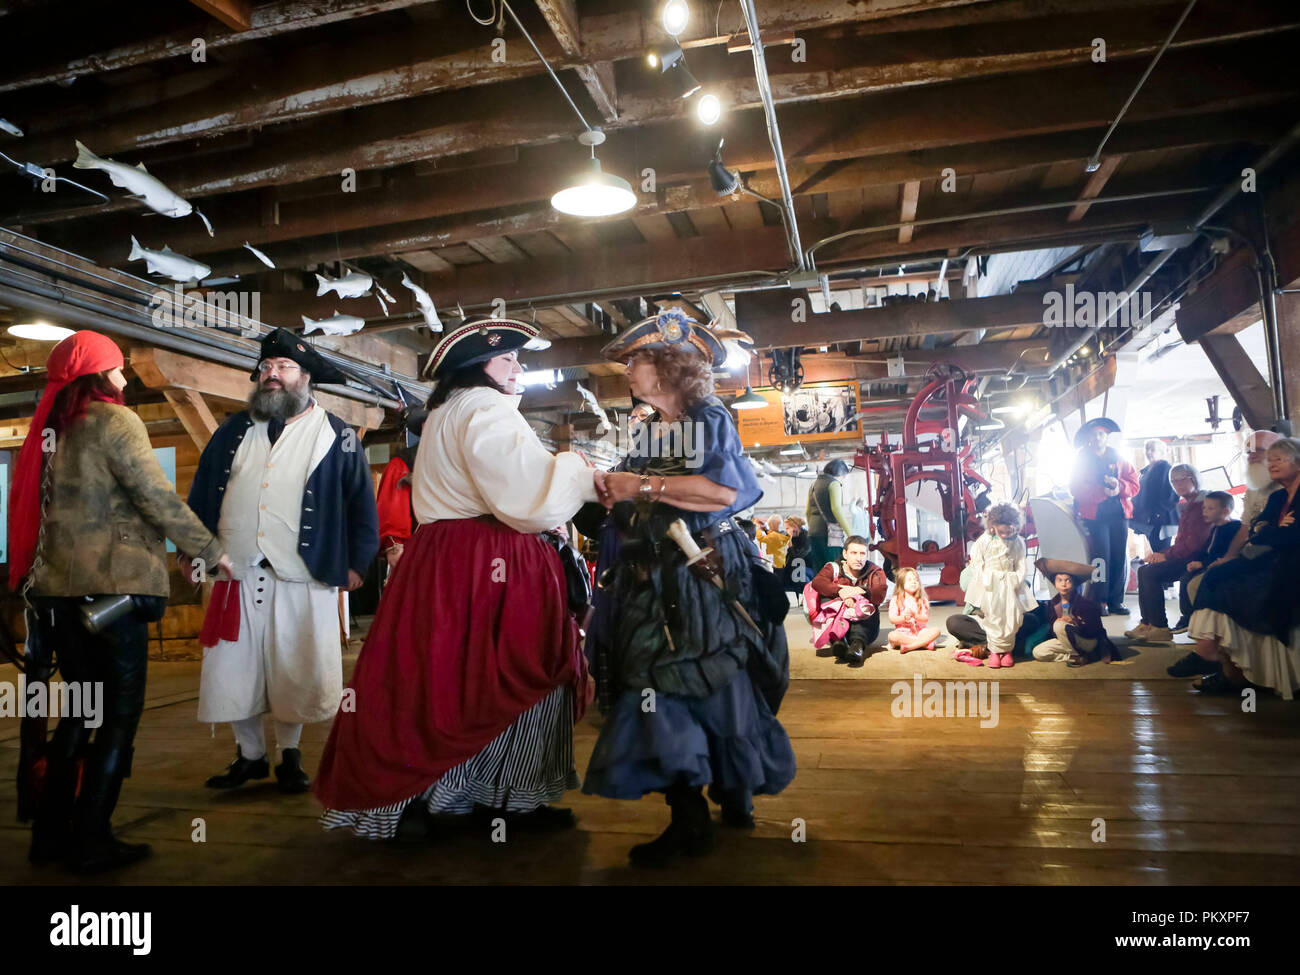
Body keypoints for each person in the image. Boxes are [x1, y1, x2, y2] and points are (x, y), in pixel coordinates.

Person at [315, 317, 599, 839]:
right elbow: (524, 497)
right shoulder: (486, 408)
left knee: (440, 674)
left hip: (441, 556)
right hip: (492, 554)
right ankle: (508, 801)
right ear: (478, 366)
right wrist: (577, 468)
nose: (518, 369)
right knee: (514, 667)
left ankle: (430, 798)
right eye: (507, 359)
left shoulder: (445, 411)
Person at [578, 308, 795, 868]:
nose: (628, 369)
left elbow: (726, 492)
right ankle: (728, 796)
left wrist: (641, 484)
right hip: (663, 576)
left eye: (637, 360)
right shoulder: (653, 427)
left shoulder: (708, 416)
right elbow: (637, 491)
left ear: (670, 366)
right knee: (703, 683)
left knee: (678, 680)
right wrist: (610, 489)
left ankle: (694, 818)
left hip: (701, 572)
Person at [16, 331, 233, 872]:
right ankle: (92, 838)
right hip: (113, 594)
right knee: (118, 715)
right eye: (117, 368)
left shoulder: (50, 429)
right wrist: (211, 550)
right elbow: (155, 497)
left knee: (77, 715)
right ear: (98, 374)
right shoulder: (115, 421)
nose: (124, 377)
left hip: (58, 597)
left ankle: (49, 837)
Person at [186, 328, 379, 795]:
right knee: (236, 668)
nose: (272, 375)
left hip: (305, 572)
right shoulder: (232, 431)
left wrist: (357, 563)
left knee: (295, 664)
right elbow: (202, 493)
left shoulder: (338, 434)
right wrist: (191, 551)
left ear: (306, 376)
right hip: (236, 569)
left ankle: (289, 753)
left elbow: (361, 504)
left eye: (284, 367)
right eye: (267, 367)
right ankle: (250, 755)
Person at [1185, 437, 1300, 697]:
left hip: (1289, 565)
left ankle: (1224, 664)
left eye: (1277, 458)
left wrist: (1269, 531)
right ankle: (1222, 662)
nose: (1270, 463)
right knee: (1215, 575)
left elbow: (1289, 536)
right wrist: (1271, 530)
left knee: (1228, 583)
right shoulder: (1278, 496)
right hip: (1271, 559)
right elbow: (1256, 530)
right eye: (1269, 459)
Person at [1125, 464, 1210, 644]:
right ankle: (1148, 623)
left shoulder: (1202, 504)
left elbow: (1196, 543)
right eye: (1174, 481)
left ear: (1194, 479)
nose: (1178, 484)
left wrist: (1166, 555)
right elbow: (1182, 541)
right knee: (1144, 569)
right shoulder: (1188, 504)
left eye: (1182, 479)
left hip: (1199, 558)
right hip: (1188, 555)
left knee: (1149, 572)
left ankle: (1159, 627)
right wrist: (1162, 554)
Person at [1069, 417, 1140, 615]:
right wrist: (1102, 493)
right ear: (1089, 438)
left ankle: (1116, 601)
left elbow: (1134, 484)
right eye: (1094, 435)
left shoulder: (1119, 458)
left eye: (1101, 434)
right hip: (1095, 516)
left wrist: (1119, 488)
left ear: (1107, 436)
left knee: (1118, 556)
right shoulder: (1081, 460)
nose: (1098, 438)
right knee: (1100, 559)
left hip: (1119, 514)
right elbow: (1076, 488)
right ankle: (1099, 601)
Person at [1165, 491, 1240, 673]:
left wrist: (1203, 564)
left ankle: (1195, 623)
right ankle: (1189, 616)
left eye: (1210, 508)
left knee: (1197, 582)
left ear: (1225, 511)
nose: (1205, 511)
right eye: (1204, 508)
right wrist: (1197, 561)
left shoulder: (1233, 528)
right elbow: (1206, 550)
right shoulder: (1214, 528)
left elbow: (1222, 554)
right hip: (1207, 564)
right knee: (1186, 578)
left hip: (1220, 565)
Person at [958, 502, 1034, 669]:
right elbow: (976, 561)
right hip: (990, 584)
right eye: (1002, 532)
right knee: (993, 616)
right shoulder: (984, 541)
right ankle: (994, 651)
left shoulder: (1018, 542)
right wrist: (984, 577)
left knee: (1012, 616)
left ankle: (1007, 651)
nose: (1006, 535)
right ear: (992, 527)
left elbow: (1021, 563)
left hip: (1010, 583)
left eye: (1009, 531)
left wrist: (1017, 579)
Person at [806, 535, 888, 665]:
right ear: (845, 554)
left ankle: (857, 647)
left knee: (868, 604)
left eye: (862, 553)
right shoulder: (833, 568)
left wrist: (858, 591)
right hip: (839, 625)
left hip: (865, 629)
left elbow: (880, 592)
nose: (858, 558)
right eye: (854, 553)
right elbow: (818, 582)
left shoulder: (875, 571)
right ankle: (838, 641)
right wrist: (840, 592)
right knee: (826, 597)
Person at [373, 407, 427, 571]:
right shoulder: (402, 464)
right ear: (425, 426)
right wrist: (394, 548)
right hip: (418, 556)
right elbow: (392, 516)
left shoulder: (456, 462)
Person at [1031, 562, 1111, 665]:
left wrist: (1074, 621)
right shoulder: (1053, 603)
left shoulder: (1085, 603)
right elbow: (1053, 630)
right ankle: (1074, 657)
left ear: (1074, 583)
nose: (1063, 584)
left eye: (1068, 580)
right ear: (1054, 583)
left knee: (1059, 625)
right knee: (1038, 652)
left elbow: (1095, 630)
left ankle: (1077, 654)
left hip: (1086, 640)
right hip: (1066, 641)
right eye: (1059, 580)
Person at [805, 459, 854, 571]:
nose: (843, 479)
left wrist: (813, 528)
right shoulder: (834, 484)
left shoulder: (813, 485)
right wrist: (850, 534)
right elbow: (836, 509)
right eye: (844, 476)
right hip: (830, 535)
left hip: (813, 533)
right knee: (834, 568)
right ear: (840, 473)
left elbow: (807, 511)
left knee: (819, 569)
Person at [1131, 439, 1179, 554]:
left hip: (1161, 519)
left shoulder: (1166, 468)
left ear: (1161, 452)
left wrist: (1158, 513)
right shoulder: (1145, 471)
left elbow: (1171, 494)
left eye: (1152, 450)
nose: (1149, 452)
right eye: (1147, 449)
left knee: (1161, 552)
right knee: (1156, 550)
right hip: (1148, 518)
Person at [885, 566, 942, 652]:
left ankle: (910, 647)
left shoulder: (922, 600)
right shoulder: (896, 599)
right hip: (903, 633)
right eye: (909, 580)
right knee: (892, 636)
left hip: (920, 633)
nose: (914, 582)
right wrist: (904, 617)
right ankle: (923, 644)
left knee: (936, 631)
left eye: (916, 580)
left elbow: (925, 619)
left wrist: (915, 615)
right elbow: (892, 619)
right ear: (901, 583)